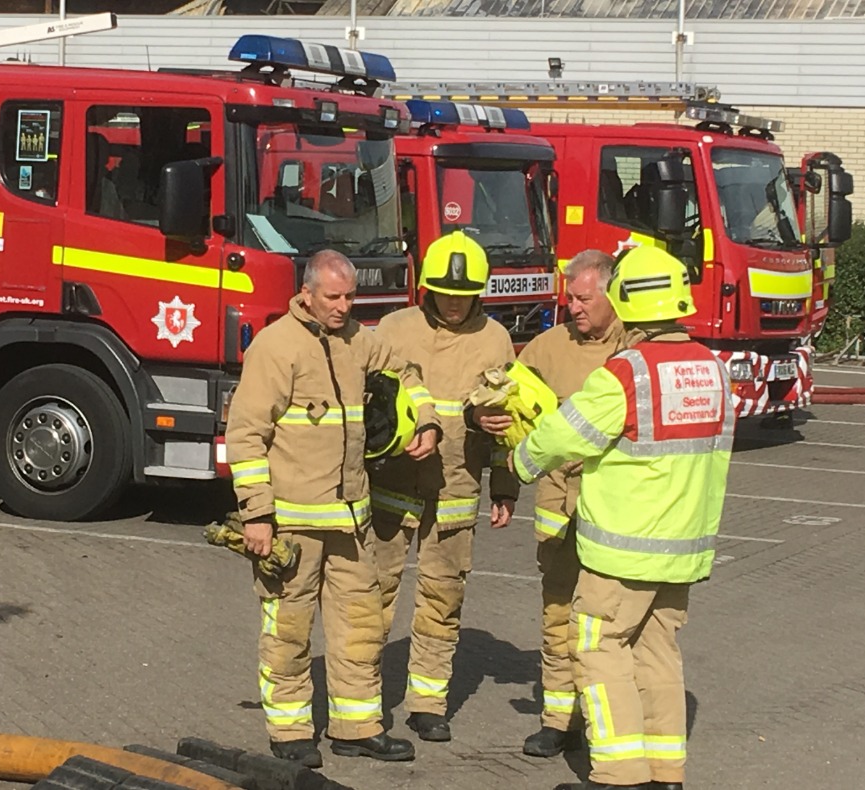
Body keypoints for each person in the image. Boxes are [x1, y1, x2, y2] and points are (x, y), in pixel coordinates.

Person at [510, 246, 734, 790]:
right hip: (683, 550)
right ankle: (664, 773)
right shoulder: (713, 368)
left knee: (598, 650)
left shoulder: (626, 373)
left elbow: (565, 435)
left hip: (622, 550)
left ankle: (615, 775)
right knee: (657, 653)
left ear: (627, 301)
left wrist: (521, 458)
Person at [226, 249, 441, 767]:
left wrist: (427, 419)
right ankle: (290, 732)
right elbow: (246, 434)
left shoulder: (356, 342)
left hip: (350, 521)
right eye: (334, 297)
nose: (344, 306)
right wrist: (257, 514)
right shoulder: (277, 347)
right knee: (289, 631)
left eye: (350, 297)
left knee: (360, 626)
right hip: (292, 525)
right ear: (306, 293)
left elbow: (405, 369)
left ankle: (356, 726)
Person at [367, 231, 519, 743]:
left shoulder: (496, 339)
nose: (454, 304)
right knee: (373, 595)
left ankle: (428, 702)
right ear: (426, 288)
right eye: (444, 293)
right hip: (392, 484)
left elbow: (504, 419)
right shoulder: (393, 329)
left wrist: (505, 484)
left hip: (457, 489)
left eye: (464, 294)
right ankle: (361, 698)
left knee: (443, 597)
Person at [491, 250, 628, 758]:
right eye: (569, 297)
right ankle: (557, 717)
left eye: (584, 298)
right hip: (558, 508)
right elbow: (505, 407)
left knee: (609, 623)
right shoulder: (547, 348)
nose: (573, 307)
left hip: (617, 514)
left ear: (611, 295)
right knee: (557, 613)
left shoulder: (634, 348)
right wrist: (502, 480)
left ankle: (605, 720)